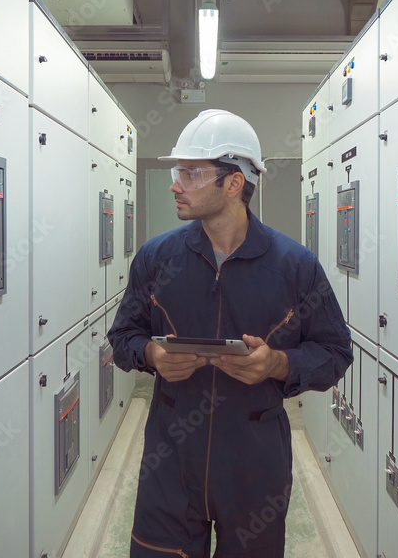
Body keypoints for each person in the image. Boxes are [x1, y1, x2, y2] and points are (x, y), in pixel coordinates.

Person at [107, 109, 353, 558]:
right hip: (170, 458)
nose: (175, 183)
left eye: (191, 172)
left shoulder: (295, 267)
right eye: (177, 171)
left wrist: (278, 363)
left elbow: (335, 352)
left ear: (234, 182)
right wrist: (151, 355)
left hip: (254, 461)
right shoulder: (157, 258)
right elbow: (123, 335)